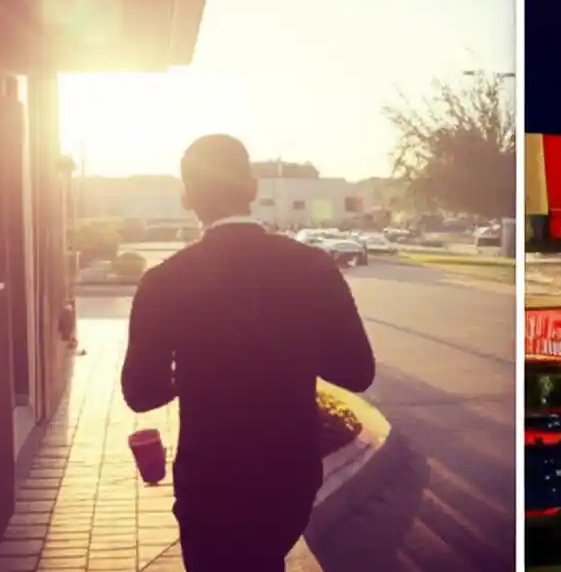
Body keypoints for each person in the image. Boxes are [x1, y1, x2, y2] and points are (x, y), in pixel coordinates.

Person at [121, 134, 375, 571]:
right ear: (253, 190)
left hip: (210, 477)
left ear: (187, 198)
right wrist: (292, 352)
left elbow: (141, 392)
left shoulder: (164, 281)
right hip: (289, 473)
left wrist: (194, 372)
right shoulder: (313, 265)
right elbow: (358, 371)